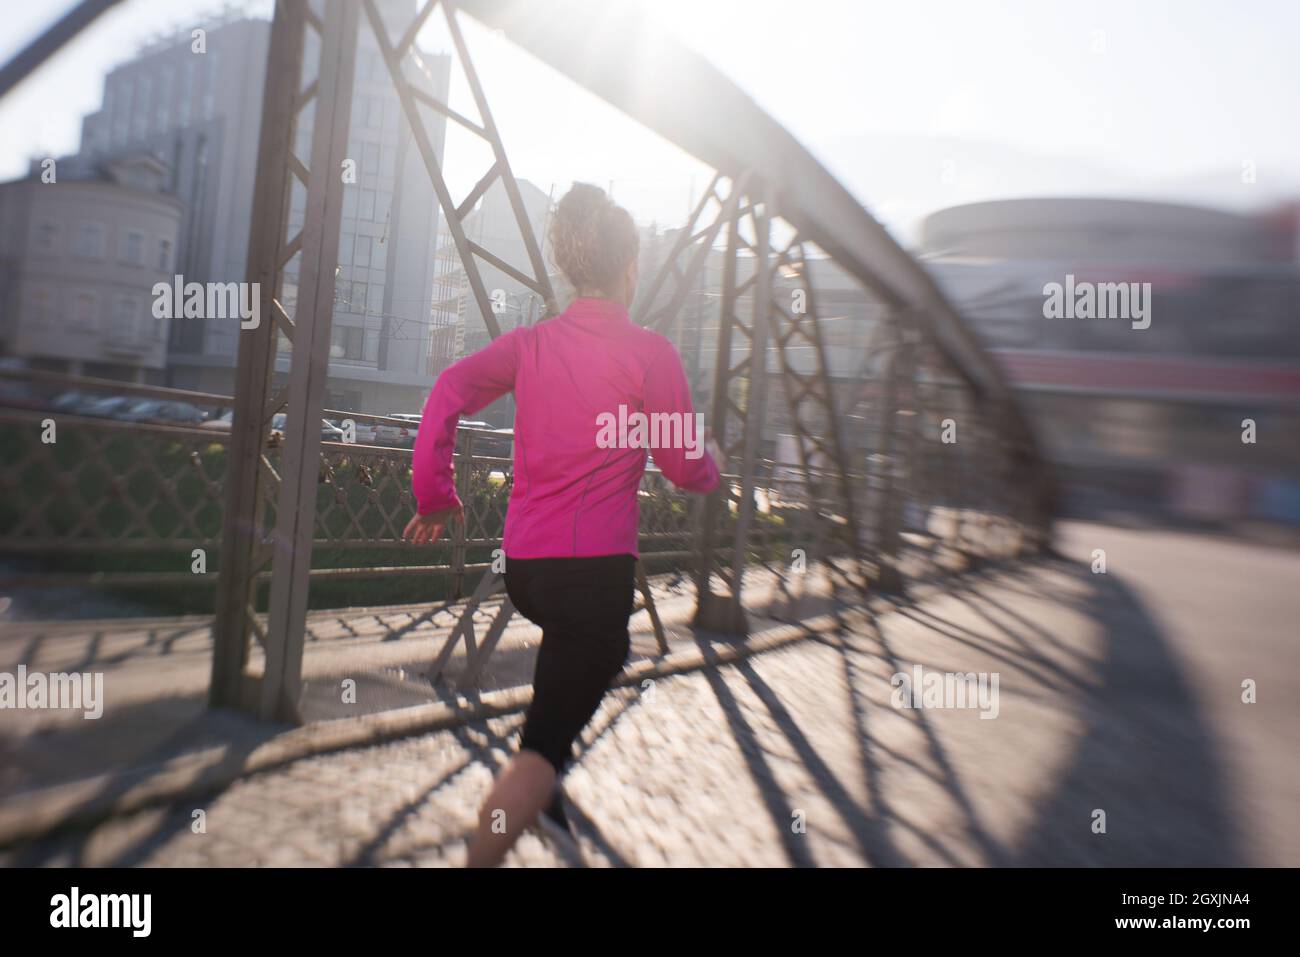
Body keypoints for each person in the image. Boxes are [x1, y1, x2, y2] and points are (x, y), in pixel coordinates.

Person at [403, 183, 721, 867]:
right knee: (573, 694)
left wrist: (433, 492)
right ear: (630, 267)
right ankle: (509, 817)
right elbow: (681, 460)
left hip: (527, 569)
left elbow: (447, 391)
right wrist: (710, 469)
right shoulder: (651, 354)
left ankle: (544, 800)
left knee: (561, 672)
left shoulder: (530, 344)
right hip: (593, 576)